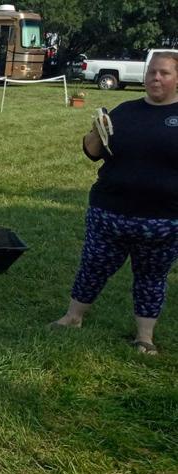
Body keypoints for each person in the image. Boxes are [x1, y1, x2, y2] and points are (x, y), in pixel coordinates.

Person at [51, 51, 178, 355]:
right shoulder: (124, 111)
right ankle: (73, 317)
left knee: (150, 277)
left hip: (162, 221)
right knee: (93, 266)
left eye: (164, 73)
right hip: (109, 212)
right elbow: (93, 152)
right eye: (151, 72)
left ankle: (144, 337)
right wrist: (95, 130)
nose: (155, 78)